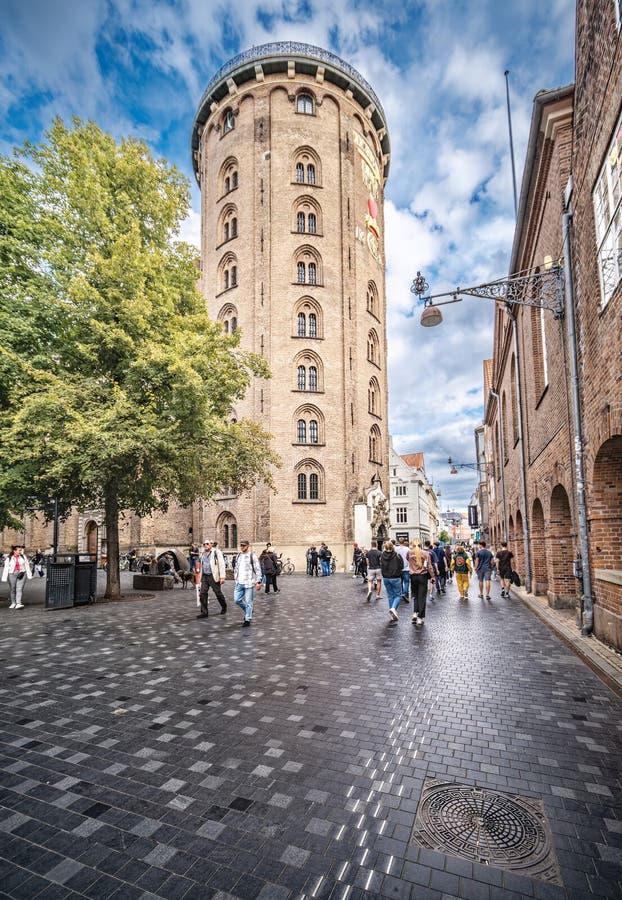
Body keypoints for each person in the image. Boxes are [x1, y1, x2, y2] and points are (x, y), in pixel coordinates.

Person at [407, 540, 436, 627]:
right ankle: (420, 617)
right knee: (422, 597)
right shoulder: (426, 553)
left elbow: (408, 559)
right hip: (422, 576)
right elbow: (429, 566)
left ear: (412, 545)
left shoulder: (409, 552)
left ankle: (415, 613)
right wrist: (432, 576)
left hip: (413, 576)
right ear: (421, 545)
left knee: (415, 595)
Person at [234, 540, 263, 626]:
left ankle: (247, 619)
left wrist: (258, 581)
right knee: (237, 600)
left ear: (247, 546)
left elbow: (258, 569)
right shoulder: (239, 555)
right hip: (239, 582)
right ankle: (248, 610)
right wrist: (236, 577)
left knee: (248, 601)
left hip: (249, 583)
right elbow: (236, 567)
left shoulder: (252, 556)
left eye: (244, 545)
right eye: (241, 545)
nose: (242, 547)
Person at [198, 540, 227, 618]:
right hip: (204, 576)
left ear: (211, 545)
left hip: (213, 576)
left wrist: (222, 577)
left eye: (207, 544)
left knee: (218, 593)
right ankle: (204, 612)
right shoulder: (202, 553)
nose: (205, 545)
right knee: (202, 593)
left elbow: (221, 564)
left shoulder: (216, 552)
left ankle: (224, 606)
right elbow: (200, 564)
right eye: (204, 544)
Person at [380, 540, 403, 622]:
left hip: (386, 578)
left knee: (390, 595)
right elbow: (401, 566)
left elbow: (381, 565)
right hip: (395, 577)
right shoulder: (397, 555)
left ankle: (392, 614)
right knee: (398, 595)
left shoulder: (382, 555)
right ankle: (393, 608)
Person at [395, 537, 411, 604]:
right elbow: (409, 558)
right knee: (406, 582)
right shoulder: (407, 549)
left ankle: (401, 594)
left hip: (398, 568)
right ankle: (405, 593)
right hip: (406, 568)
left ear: (398, 542)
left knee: (400, 582)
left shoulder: (395, 549)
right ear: (404, 542)